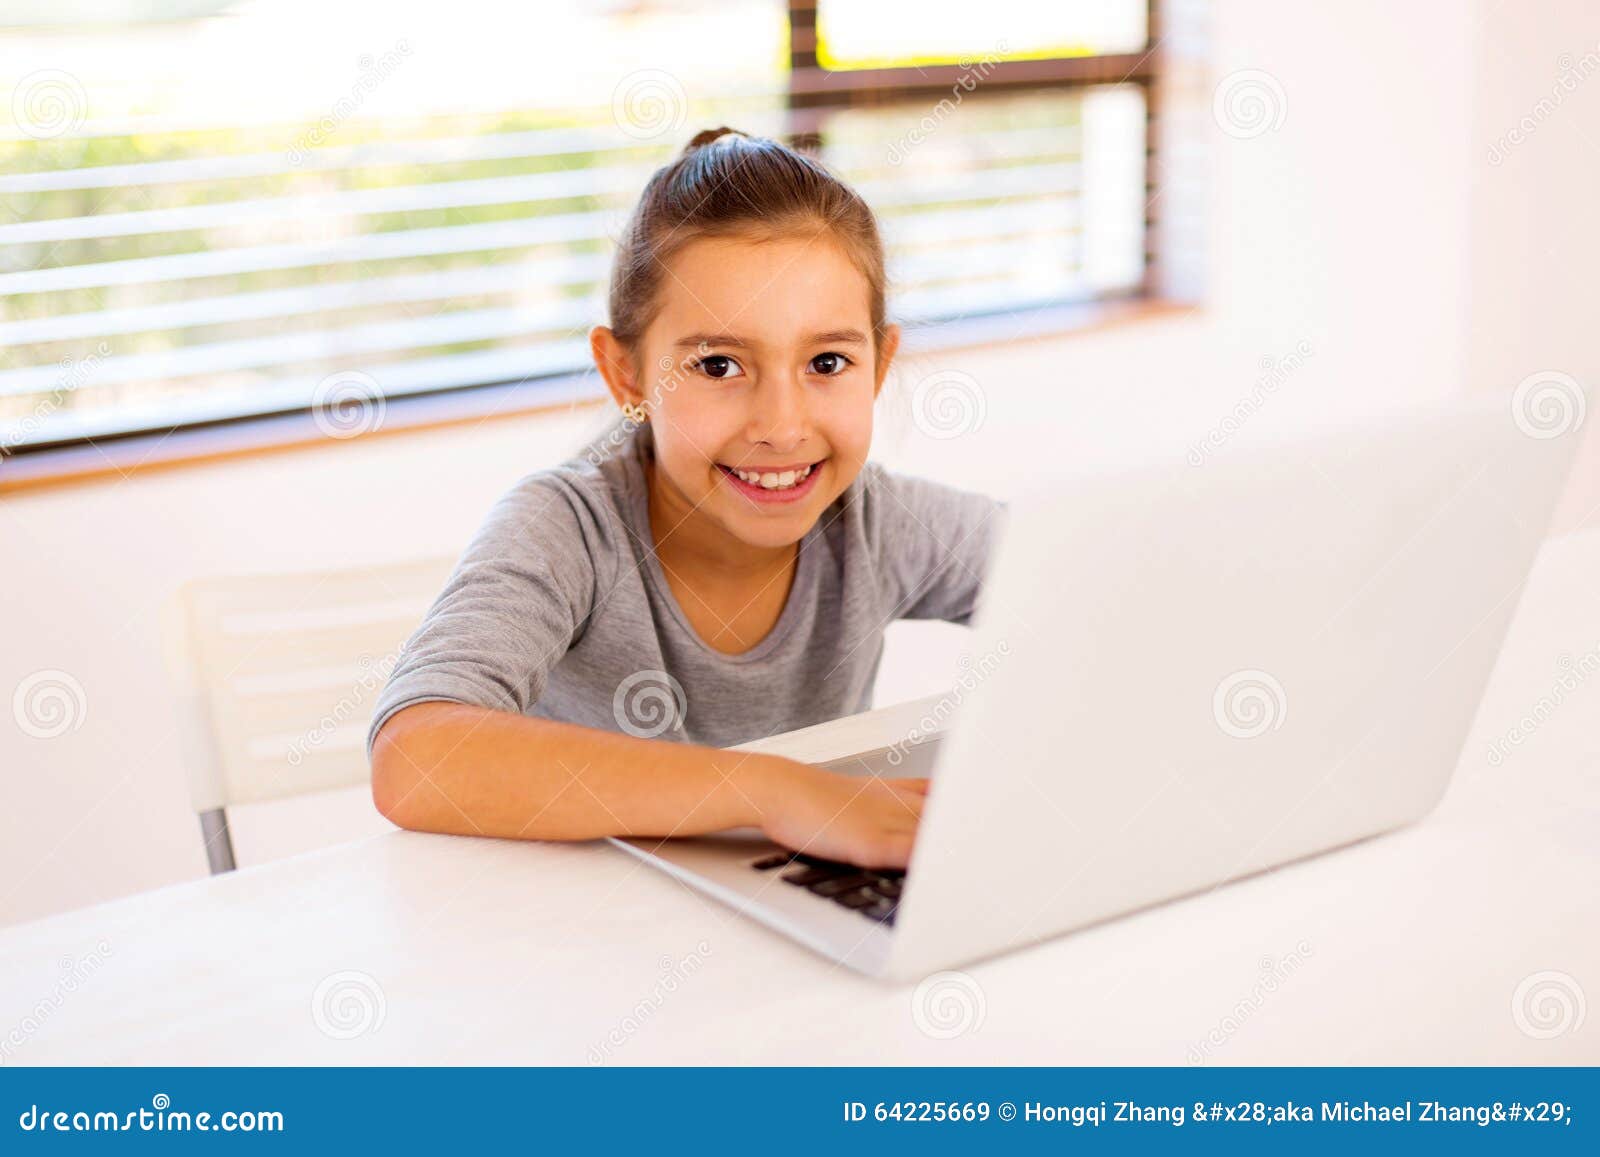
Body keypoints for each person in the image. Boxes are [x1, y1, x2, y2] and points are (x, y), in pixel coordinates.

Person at [368, 127, 1000, 869]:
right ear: (628, 375)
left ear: (879, 364)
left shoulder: (880, 523)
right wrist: (771, 790)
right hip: (579, 935)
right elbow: (416, 758)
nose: (781, 426)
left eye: (827, 361)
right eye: (719, 364)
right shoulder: (567, 530)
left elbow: (1107, 576)